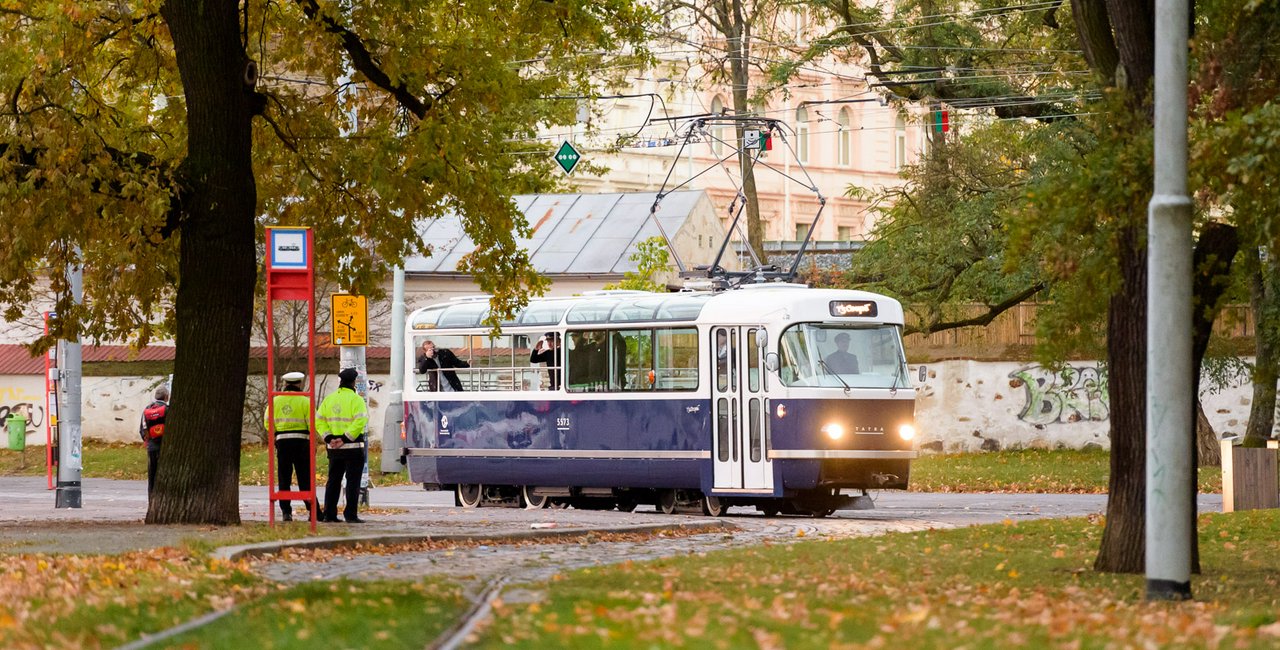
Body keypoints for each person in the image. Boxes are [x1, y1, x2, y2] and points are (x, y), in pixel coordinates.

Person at [317, 368, 368, 523]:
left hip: (334, 449)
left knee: (333, 481)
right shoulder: (356, 400)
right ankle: (350, 515)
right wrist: (345, 438)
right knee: (353, 482)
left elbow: (319, 420)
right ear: (353, 383)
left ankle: (329, 514)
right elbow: (360, 421)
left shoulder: (329, 399)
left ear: (340, 382)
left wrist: (329, 438)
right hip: (352, 448)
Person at [264, 371, 312, 522]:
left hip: (283, 443)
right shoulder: (305, 401)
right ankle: (313, 510)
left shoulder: (275, 401)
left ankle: (286, 512)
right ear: (299, 384)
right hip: (301, 443)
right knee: (305, 478)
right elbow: (312, 423)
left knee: (284, 478)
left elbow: (267, 423)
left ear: (285, 384)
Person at [139, 386, 169, 495]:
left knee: (152, 475)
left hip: (152, 447)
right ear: (166, 397)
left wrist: (148, 442)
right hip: (165, 447)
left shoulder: (147, 410)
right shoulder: (167, 409)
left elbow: (142, 429)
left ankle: (152, 499)